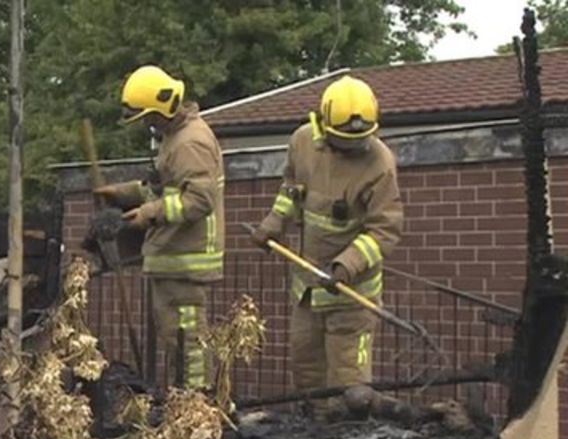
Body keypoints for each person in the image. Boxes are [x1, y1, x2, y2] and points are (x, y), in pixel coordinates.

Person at [250, 75, 403, 414]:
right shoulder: (302, 142)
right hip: (307, 290)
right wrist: (275, 222)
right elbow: (292, 189)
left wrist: (346, 265)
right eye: (344, 139)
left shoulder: (380, 164)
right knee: (308, 375)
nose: (354, 147)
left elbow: (384, 230)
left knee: (350, 386)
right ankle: (317, 438)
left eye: (361, 139)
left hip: (352, 295)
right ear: (322, 125)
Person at [94, 65, 225, 393]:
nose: (146, 124)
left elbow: (198, 201)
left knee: (187, 342)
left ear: (164, 107)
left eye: (148, 117)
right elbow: (164, 189)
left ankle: (196, 408)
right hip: (173, 256)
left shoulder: (189, 143)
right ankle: (186, 403)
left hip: (187, 259)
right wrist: (123, 193)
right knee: (175, 339)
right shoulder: (173, 139)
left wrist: (149, 215)